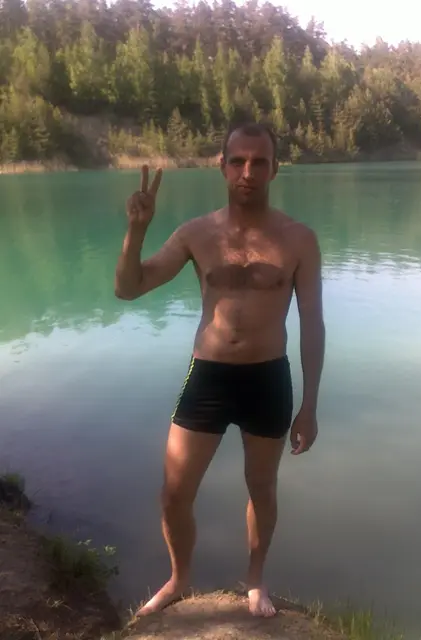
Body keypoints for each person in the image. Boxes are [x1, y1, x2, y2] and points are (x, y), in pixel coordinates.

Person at [114, 121, 326, 618]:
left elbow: (313, 324)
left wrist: (310, 405)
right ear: (222, 167)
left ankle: (255, 580)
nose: (248, 171)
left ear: (275, 168)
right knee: (174, 492)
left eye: (259, 161)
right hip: (208, 376)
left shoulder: (299, 239)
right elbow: (129, 288)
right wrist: (136, 231)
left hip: (268, 378)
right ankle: (179, 578)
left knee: (262, 488)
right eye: (238, 161)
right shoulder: (197, 233)